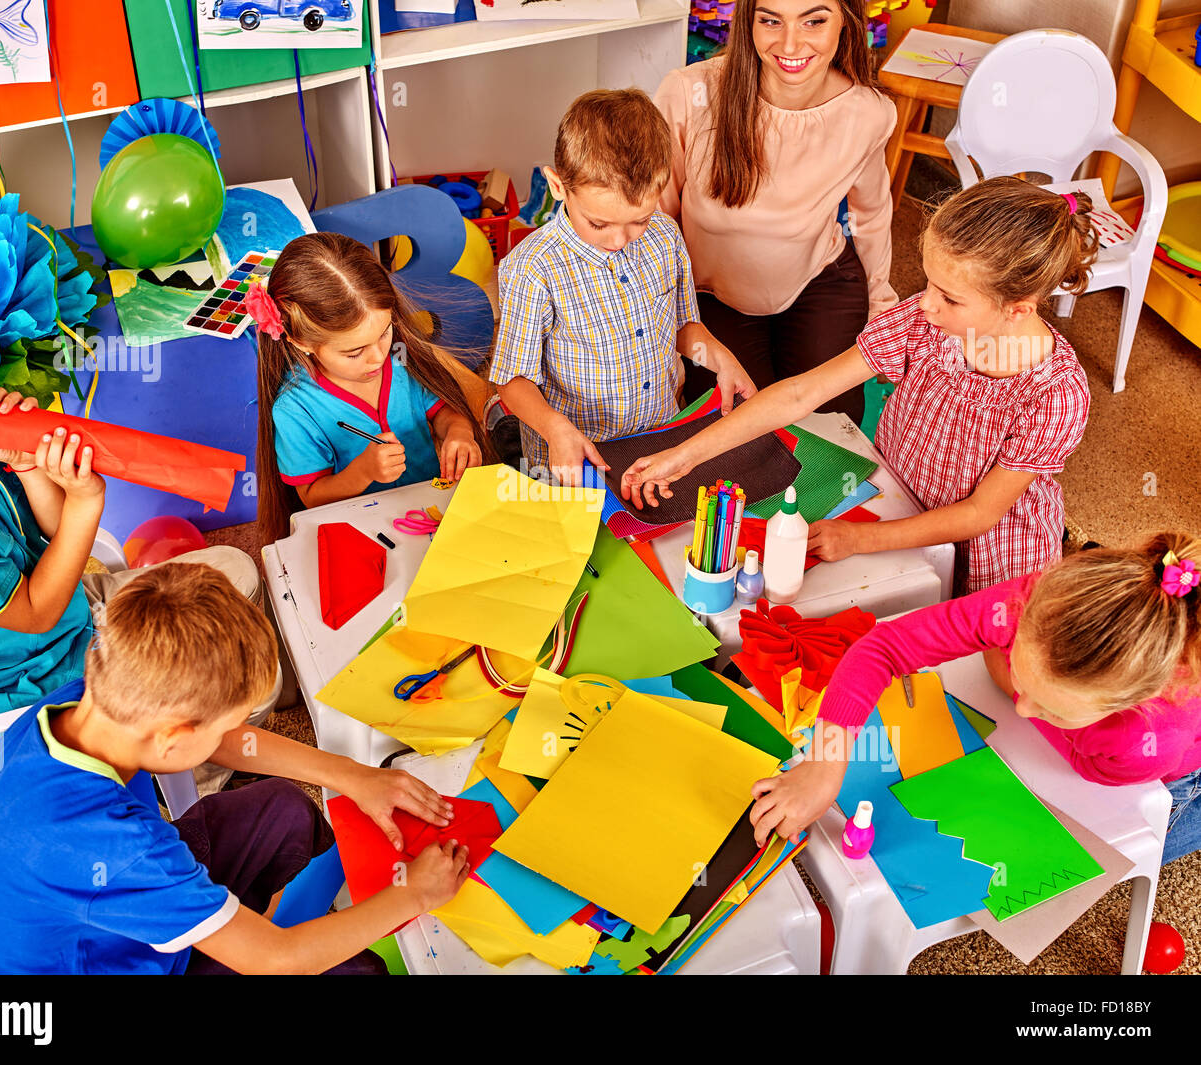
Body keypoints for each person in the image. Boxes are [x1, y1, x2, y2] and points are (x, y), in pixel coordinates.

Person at [0, 563, 470, 974]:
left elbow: (230, 745)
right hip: (96, 965)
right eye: (225, 724)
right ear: (172, 739)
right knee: (357, 970)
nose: (235, 735)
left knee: (283, 807)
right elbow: (275, 960)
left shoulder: (91, 700)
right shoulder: (119, 847)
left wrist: (354, 775)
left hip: (85, 913)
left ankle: (266, 915)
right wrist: (414, 895)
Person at [622, 177, 1097, 594]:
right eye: (928, 283)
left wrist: (859, 539)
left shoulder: (1057, 395)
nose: (925, 304)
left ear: (1018, 309)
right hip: (894, 494)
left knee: (981, 661)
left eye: (948, 297)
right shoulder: (922, 320)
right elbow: (799, 393)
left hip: (993, 551)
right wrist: (683, 456)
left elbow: (978, 515)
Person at [0, 278, 276, 751]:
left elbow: (55, 532)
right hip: (41, 681)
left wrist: (27, 465)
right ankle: (185, 780)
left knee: (236, 570)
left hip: (76, 615)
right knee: (245, 692)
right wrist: (85, 499)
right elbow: (38, 613)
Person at [749, 533, 1201, 867]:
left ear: (1126, 704)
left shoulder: (1145, 739)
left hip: (1178, 776)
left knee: (1115, 860)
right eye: (1024, 676)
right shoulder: (1026, 604)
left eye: (1052, 710)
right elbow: (881, 648)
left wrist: (1002, 667)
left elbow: (1088, 769)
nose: (1023, 708)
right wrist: (825, 765)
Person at [490, 88, 754, 486]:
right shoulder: (533, 268)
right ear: (558, 186)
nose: (618, 240)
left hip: (657, 440)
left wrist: (720, 359)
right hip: (576, 456)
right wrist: (555, 427)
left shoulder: (665, 235)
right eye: (599, 224)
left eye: (639, 219)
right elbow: (513, 380)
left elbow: (682, 327)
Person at [654, 0, 898, 420]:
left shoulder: (868, 112)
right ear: (748, 21)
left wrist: (880, 309)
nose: (790, 43)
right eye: (770, 20)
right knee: (740, 439)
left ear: (846, 22)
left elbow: (871, 214)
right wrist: (662, 320)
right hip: (709, 296)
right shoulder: (687, 93)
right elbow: (657, 218)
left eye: (814, 21)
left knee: (831, 431)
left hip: (819, 281)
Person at [254, 232, 490, 543]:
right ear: (301, 342)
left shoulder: (401, 360)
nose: (378, 357)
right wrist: (363, 472)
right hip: (362, 534)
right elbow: (311, 496)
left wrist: (459, 432)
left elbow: (442, 410)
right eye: (354, 352)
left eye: (384, 333)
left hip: (432, 512)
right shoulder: (294, 409)